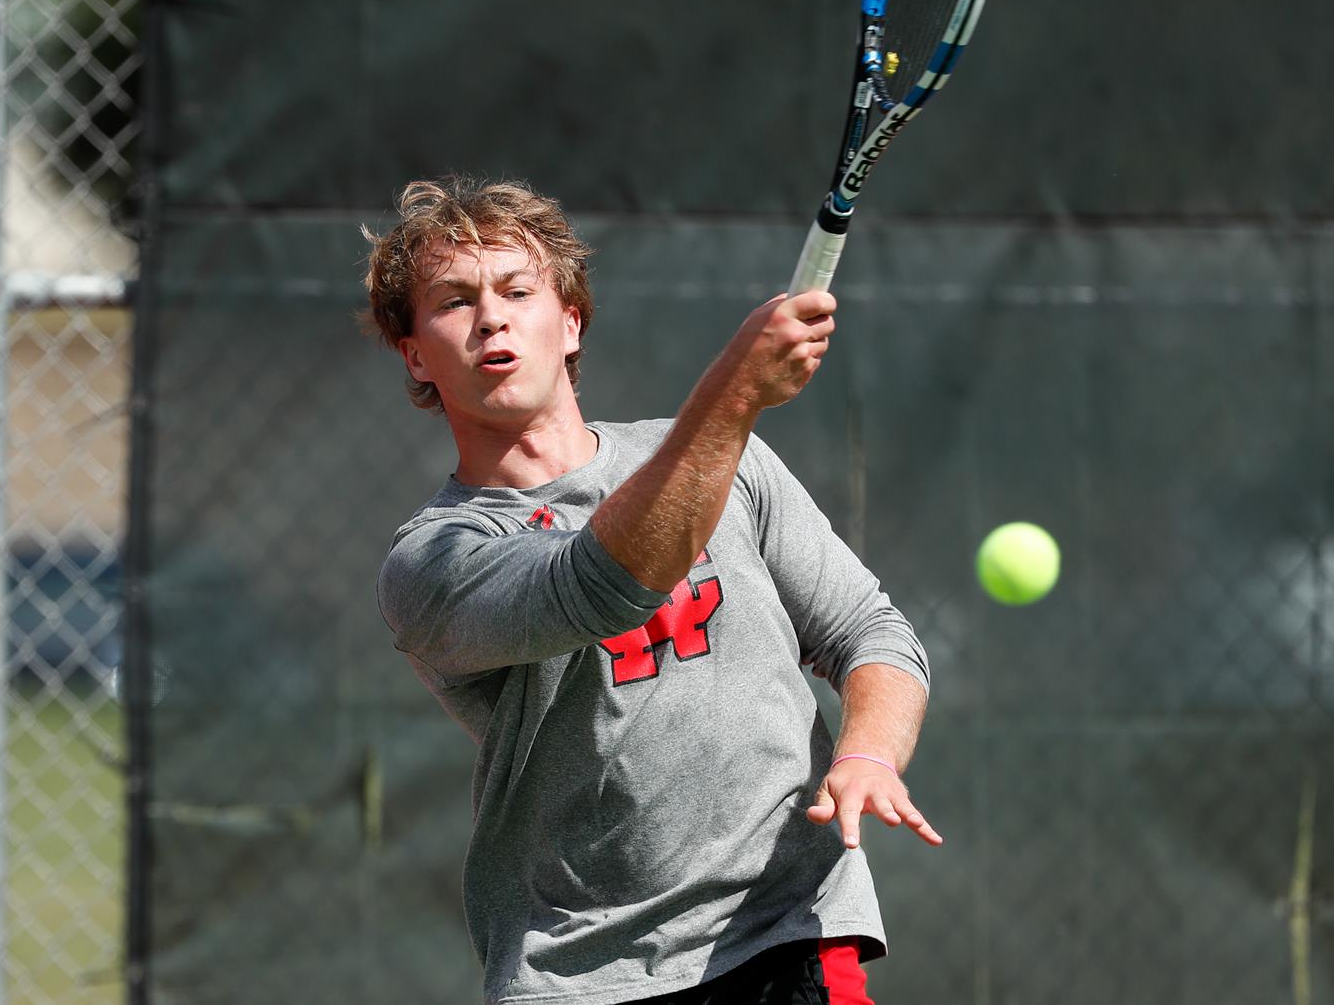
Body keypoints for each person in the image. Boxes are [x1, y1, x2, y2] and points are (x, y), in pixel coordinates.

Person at [363, 176, 939, 1005]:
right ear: (415, 352)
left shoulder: (723, 459)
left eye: (518, 291)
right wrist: (735, 395)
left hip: (788, 927)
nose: (492, 317)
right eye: (454, 301)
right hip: (583, 972)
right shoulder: (432, 560)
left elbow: (871, 632)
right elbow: (605, 584)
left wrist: (868, 753)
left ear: (570, 323)